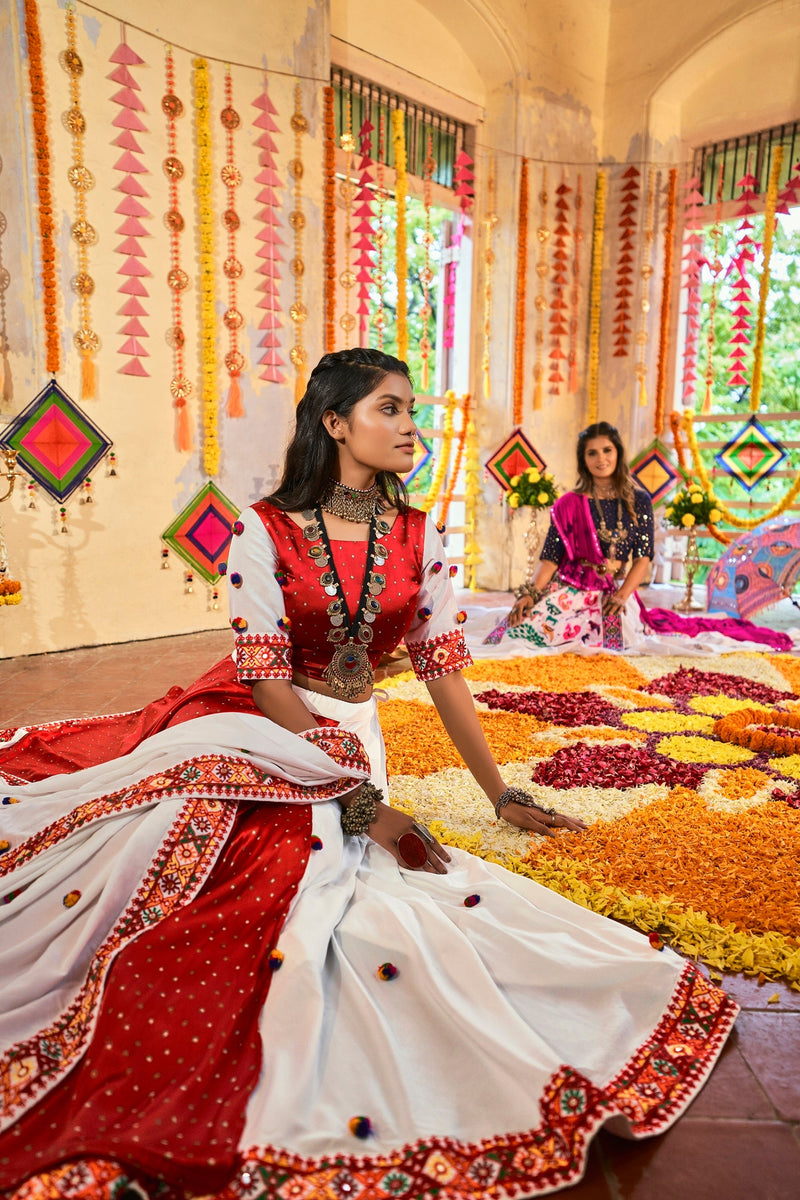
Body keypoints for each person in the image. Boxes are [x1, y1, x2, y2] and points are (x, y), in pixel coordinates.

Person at [0, 352, 736, 1199]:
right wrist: (358, 802)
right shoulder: (262, 528)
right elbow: (267, 678)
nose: (411, 425)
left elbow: (443, 667)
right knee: (243, 879)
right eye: (391, 408)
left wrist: (501, 791)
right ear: (335, 422)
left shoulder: (421, 535)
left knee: (382, 896)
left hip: (355, 735)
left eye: (412, 409)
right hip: (259, 726)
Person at [487, 422, 654, 651]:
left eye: (607, 450)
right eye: (592, 453)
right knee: (520, 634)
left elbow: (643, 559)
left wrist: (622, 596)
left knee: (617, 643)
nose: (601, 459)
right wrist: (531, 594)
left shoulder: (640, 501)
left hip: (614, 593)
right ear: (583, 459)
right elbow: (550, 559)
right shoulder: (569, 504)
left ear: (618, 453)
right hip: (572, 588)